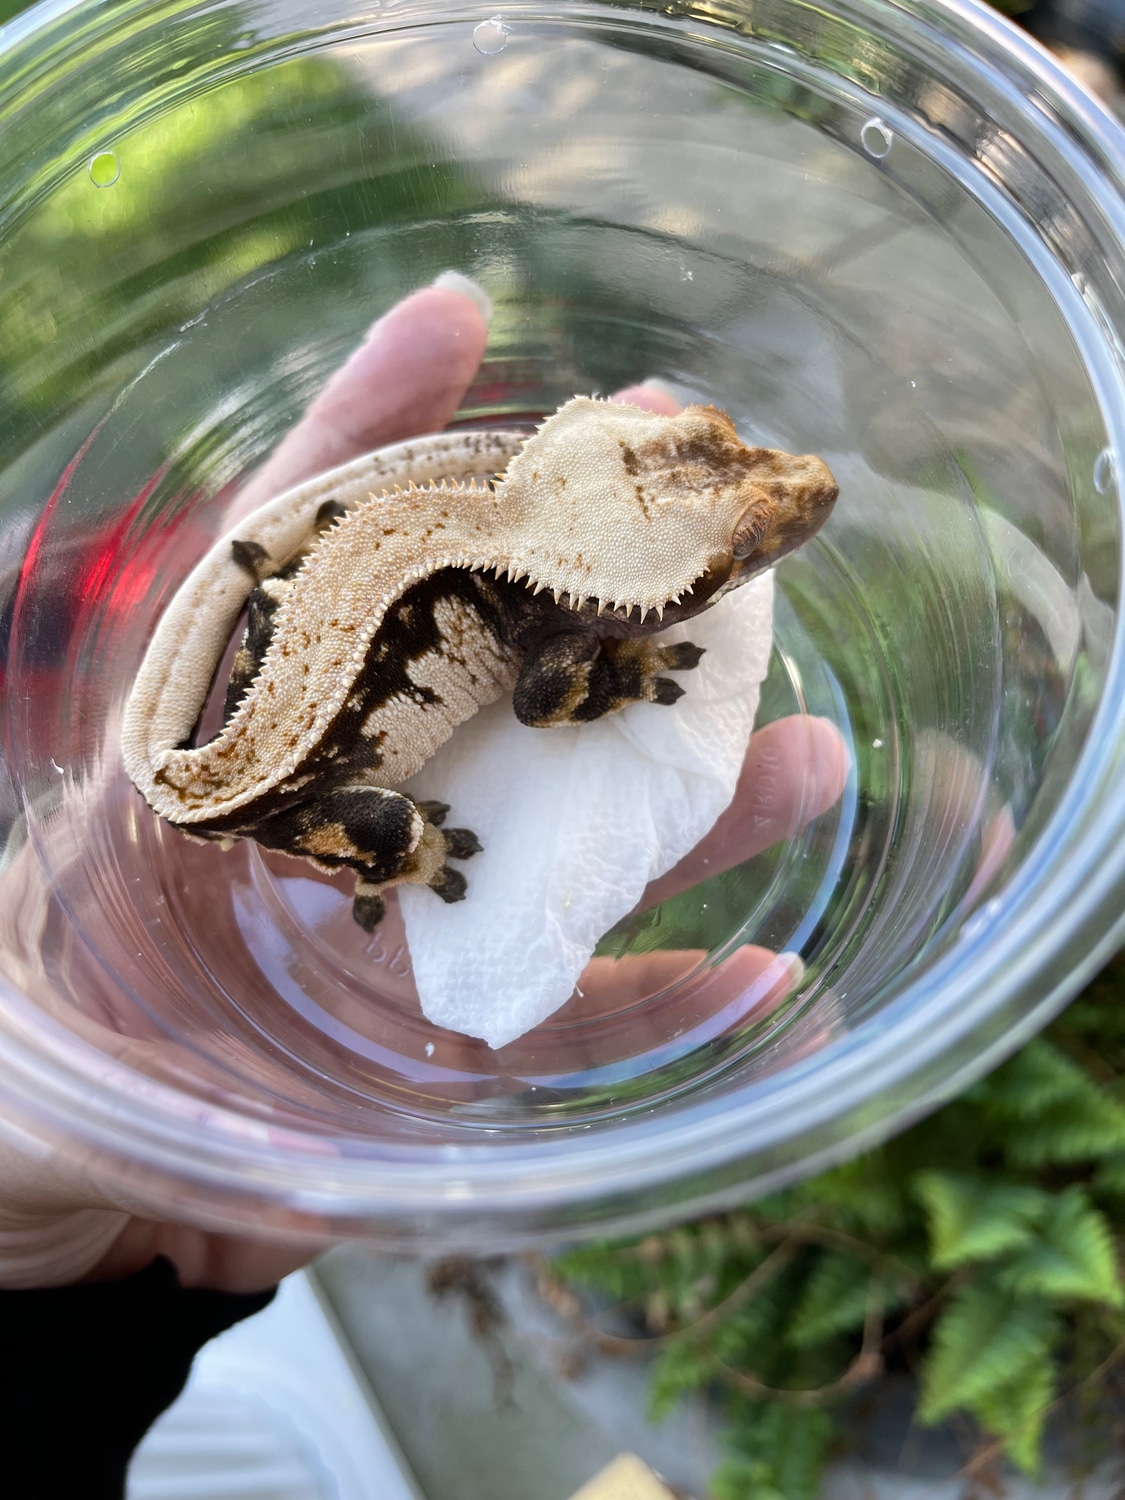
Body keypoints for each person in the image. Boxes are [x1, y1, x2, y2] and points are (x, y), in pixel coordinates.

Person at [0, 276, 848, 1497]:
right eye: (748, 549)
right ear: (627, 600)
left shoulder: (529, 543)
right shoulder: (566, 623)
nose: (781, 512)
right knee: (402, 835)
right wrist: (613, 679)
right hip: (285, 782)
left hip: (308, 647)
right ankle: (389, 850)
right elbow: (553, 694)